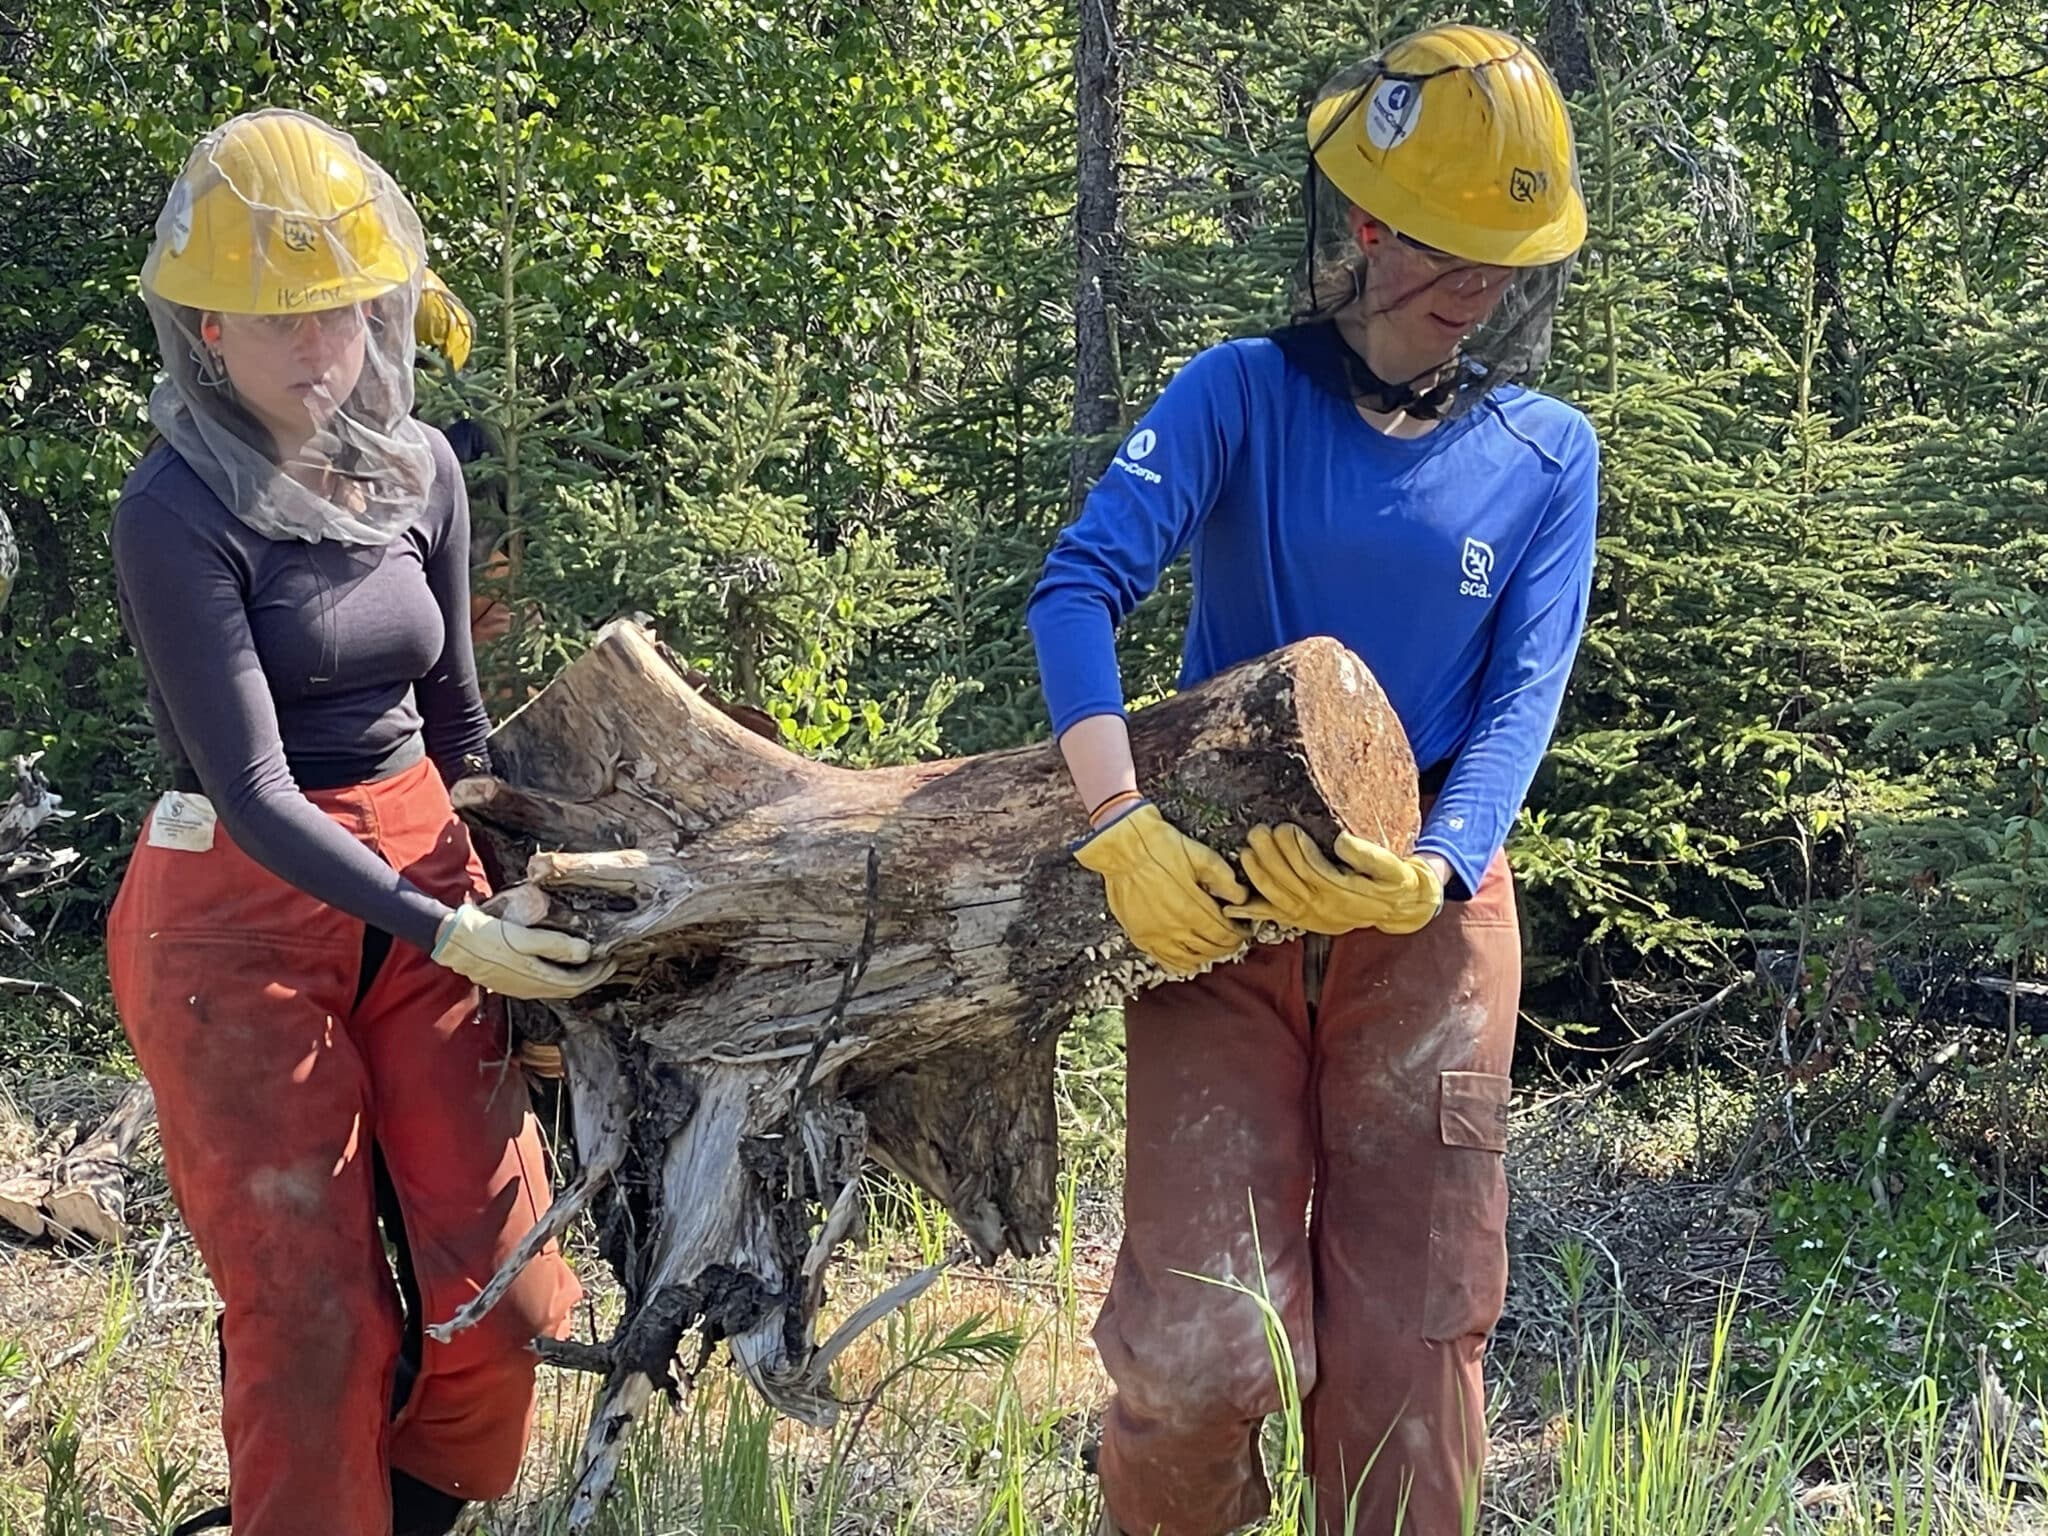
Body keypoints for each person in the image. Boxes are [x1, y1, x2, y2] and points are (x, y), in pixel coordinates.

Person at [1029, 24, 1598, 1536]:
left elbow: (1523, 693)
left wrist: (1443, 858)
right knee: (1195, 1353)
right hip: (1217, 903)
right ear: (1365, 224)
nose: (1476, 289)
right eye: (1447, 248)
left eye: (1505, 262)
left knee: (1414, 1354)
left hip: (1433, 921)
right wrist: (1121, 826)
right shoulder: (1240, 396)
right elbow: (1076, 590)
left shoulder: (1547, 455)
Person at [106, 108, 613, 1536]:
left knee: (509, 1288)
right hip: (237, 912)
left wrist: (510, 889)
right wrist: (448, 931)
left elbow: (456, 721)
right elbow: (256, 791)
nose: (321, 347)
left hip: (425, 862)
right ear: (208, 329)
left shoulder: (421, 469)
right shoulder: (174, 509)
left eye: (340, 309)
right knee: (311, 1313)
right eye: (281, 320)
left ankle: (401, 1511)